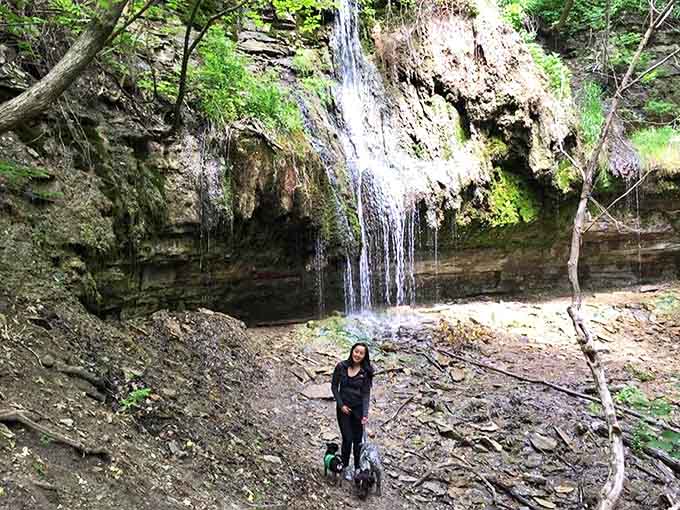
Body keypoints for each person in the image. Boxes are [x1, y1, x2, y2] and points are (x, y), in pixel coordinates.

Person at [331, 342, 374, 481]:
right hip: (343, 409)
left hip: (358, 410)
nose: (358, 355)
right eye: (356, 351)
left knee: (357, 440)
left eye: (361, 353)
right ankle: (344, 465)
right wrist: (341, 404)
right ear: (352, 351)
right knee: (347, 439)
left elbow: (366, 394)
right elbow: (333, 387)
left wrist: (365, 414)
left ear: (364, 356)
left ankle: (356, 467)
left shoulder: (366, 372)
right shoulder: (341, 367)